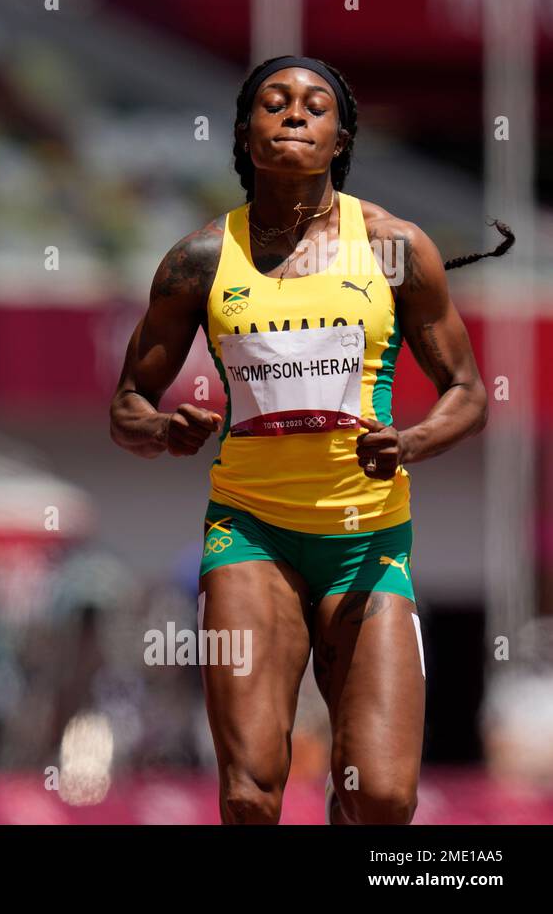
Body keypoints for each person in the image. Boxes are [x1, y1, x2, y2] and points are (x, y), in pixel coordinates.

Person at [108, 55, 510, 824]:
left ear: (340, 139)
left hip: (369, 540)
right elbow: (126, 405)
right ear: (244, 133)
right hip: (250, 533)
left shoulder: (394, 248)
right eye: (275, 102)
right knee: (251, 792)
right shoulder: (197, 262)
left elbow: (468, 393)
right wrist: (163, 429)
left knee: (382, 798)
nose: (294, 114)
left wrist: (413, 442)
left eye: (315, 106)